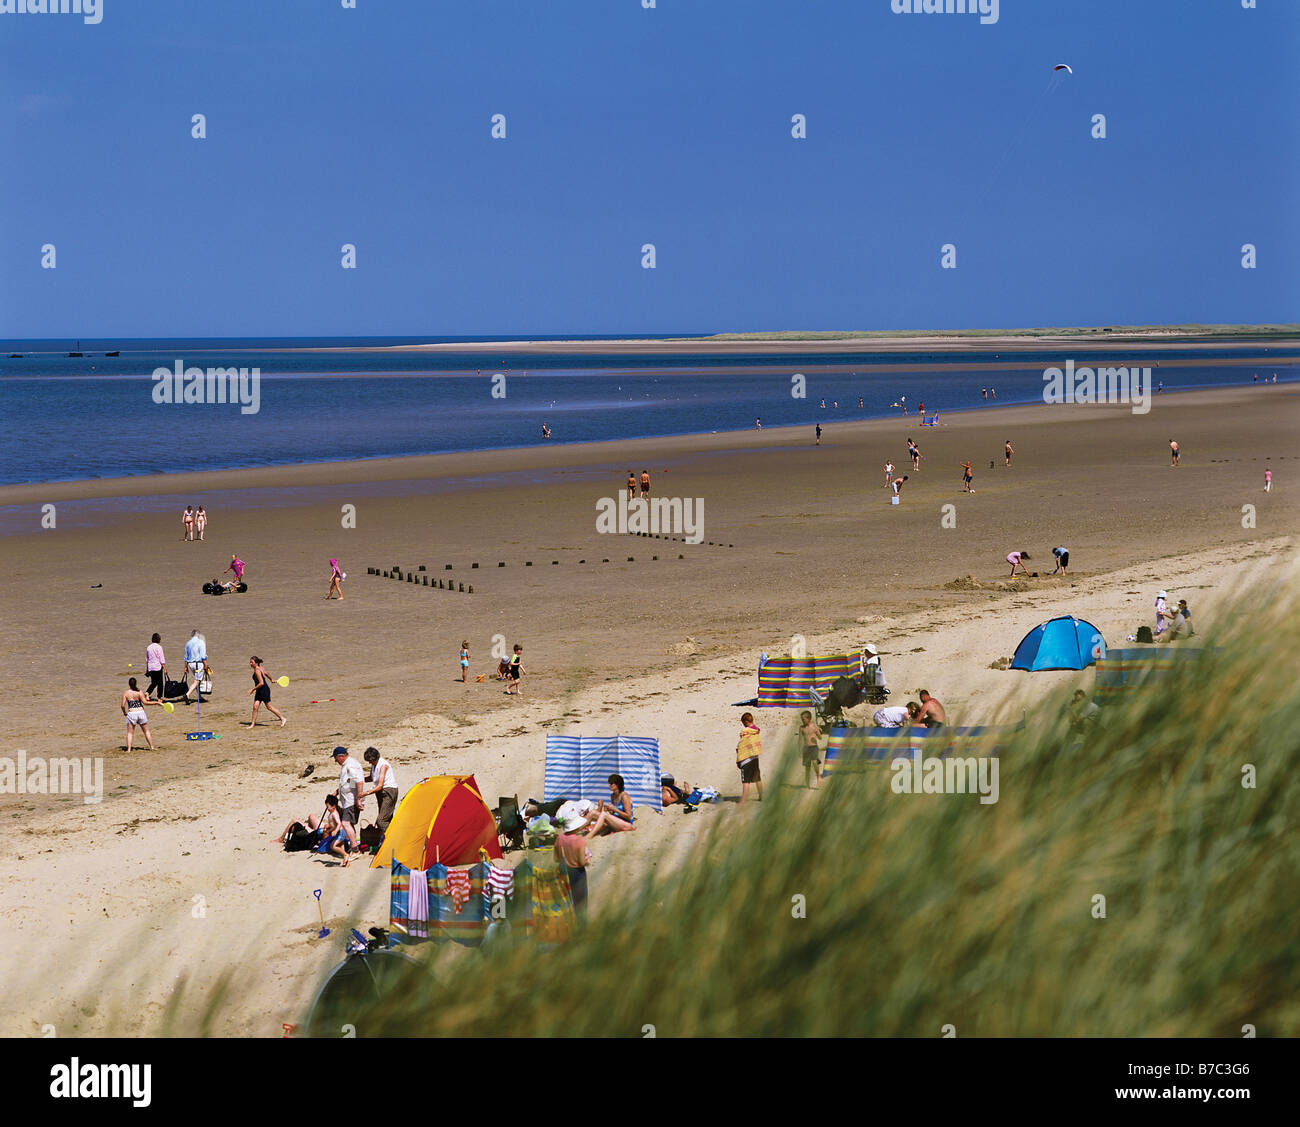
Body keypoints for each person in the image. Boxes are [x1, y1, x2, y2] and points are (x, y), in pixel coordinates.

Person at [554, 812, 593, 918]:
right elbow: (582, 862)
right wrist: (588, 859)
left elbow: (556, 858)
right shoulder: (579, 841)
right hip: (577, 873)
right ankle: (581, 926)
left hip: (564, 872)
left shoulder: (560, 838)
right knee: (581, 903)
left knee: (567, 901)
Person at [360, 747, 399, 837]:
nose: (369, 763)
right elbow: (371, 778)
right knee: (387, 817)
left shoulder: (383, 765)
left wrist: (367, 793)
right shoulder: (374, 765)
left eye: (370, 761)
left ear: (374, 758)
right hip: (380, 792)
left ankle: (393, 838)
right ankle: (387, 839)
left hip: (388, 791)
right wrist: (358, 780)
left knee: (381, 821)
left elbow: (380, 785)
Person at [332, 746, 365, 841]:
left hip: (351, 800)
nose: (335, 761)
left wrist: (358, 799)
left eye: (335, 758)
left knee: (345, 823)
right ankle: (353, 843)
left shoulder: (351, 765)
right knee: (349, 824)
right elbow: (350, 782)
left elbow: (358, 782)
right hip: (348, 800)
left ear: (341, 756)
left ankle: (355, 849)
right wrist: (337, 791)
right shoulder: (347, 765)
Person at [121, 677, 161, 751]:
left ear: (129, 684)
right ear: (136, 683)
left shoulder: (126, 693)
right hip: (140, 712)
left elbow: (122, 705)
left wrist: (124, 713)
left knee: (130, 733)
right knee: (146, 731)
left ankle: (129, 749)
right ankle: (152, 747)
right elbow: (145, 703)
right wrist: (156, 702)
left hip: (132, 713)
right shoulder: (139, 692)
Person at [247, 656, 287, 727]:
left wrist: (252, 690)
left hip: (264, 690)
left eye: (251, 662)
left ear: (256, 663)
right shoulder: (260, 668)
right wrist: (271, 679)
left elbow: (261, 683)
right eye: (250, 662)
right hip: (260, 690)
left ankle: (283, 718)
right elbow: (266, 673)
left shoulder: (257, 670)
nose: (250, 663)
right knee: (255, 707)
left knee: (269, 707)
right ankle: (252, 724)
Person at [736, 712, 763, 803]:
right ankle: (761, 796)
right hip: (755, 757)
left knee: (745, 781)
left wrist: (738, 754)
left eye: (743, 723)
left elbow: (742, 744)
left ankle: (743, 800)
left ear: (746, 721)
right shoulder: (756, 730)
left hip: (746, 759)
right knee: (757, 778)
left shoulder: (745, 732)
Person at [183, 630, 211, 705]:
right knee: (198, 680)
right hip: (198, 664)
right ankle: (187, 694)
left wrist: (185, 667)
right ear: (198, 635)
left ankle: (199, 697)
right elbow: (202, 655)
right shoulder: (201, 642)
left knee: (197, 679)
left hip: (190, 664)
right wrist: (206, 664)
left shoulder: (188, 643)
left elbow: (186, 656)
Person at [799, 710, 823, 789]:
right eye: (802, 719)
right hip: (806, 748)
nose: (802, 721)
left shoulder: (814, 726)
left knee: (814, 762)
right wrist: (799, 750)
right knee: (807, 766)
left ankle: (818, 776)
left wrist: (817, 734)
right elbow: (800, 740)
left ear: (809, 719)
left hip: (814, 747)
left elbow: (820, 737)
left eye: (804, 719)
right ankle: (807, 783)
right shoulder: (801, 728)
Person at [145, 633, 168, 701]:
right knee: (160, 683)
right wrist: (165, 668)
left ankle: (147, 692)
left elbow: (147, 659)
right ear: (158, 639)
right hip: (157, 667)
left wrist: (147, 669)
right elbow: (162, 659)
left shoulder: (148, 647)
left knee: (154, 682)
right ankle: (159, 698)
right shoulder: (159, 647)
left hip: (151, 667)